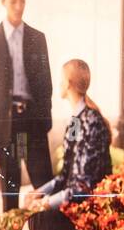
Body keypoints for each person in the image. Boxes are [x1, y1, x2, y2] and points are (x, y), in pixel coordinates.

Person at [0, 0, 54, 211]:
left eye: (23, 0)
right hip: (5, 128)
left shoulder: (37, 38)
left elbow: (46, 85)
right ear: (3, 1)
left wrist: (44, 122)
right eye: (13, 1)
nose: (19, 6)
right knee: (9, 197)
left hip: (33, 124)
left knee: (46, 191)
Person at [24, 58, 112, 209]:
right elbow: (66, 174)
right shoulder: (75, 122)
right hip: (72, 202)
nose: (59, 84)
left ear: (68, 84)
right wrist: (39, 192)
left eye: (61, 80)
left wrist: (45, 203)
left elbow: (83, 186)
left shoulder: (92, 121)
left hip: (90, 208)